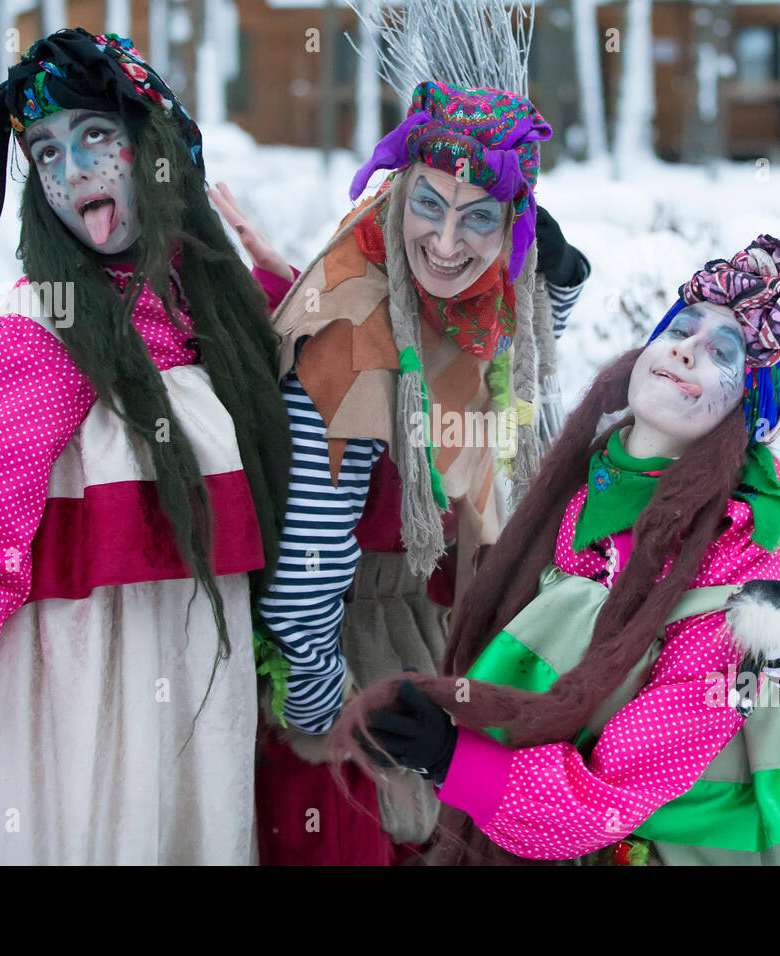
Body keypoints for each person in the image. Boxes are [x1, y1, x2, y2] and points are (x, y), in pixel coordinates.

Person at [0, 29, 291, 864]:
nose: (70, 170)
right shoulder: (41, 337)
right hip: (83, 718)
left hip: (200, 705)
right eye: (46, 153)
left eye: (97, 136)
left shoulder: (219, 312)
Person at [334, 235, 780, 865]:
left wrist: (456, 760)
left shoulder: (747, 548)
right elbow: (503, 385)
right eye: (682, 327)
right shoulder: (590, 474)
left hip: (671, 843)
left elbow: (621, 785)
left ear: (753, 401)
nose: (684, 349)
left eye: (722, 352)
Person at [247, 81, 590, 865]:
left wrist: (559, 278)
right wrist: (327, 722)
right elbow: (304, 577)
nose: (443, 242)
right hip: (358, 661)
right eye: (428, 204)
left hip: (439, 635)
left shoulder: (466, 298)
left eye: (478, 217)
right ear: (400, 191)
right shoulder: (353, 335)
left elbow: (508, 348)